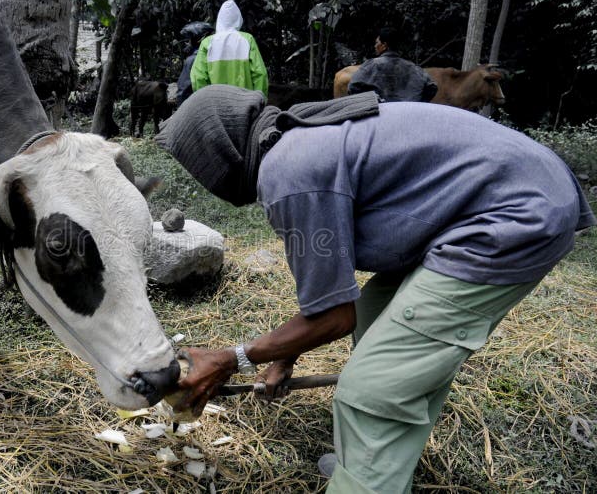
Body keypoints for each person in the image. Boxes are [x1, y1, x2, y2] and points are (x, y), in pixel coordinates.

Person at [155, 85, 595, 493]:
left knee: (373, 389)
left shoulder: (290, 174)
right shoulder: (298, 139)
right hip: (504, 197)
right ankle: (373, 467)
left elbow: (332, 317)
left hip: (513, 217)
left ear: (219, 155)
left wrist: (234, 359)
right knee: (377, 325)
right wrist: (284, 355)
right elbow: (333, 300)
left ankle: (367, 481)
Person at [190, 0, 268, 97]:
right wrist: (260, 100)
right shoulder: (247, 39)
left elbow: (198, 77)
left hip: (216, 104)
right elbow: (260, 74)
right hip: (245, 103)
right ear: (238, 18)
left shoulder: (207, 43)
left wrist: (205, 102)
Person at [348, 27, 437, 102]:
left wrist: (372, 102)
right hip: (408, 116)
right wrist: (417, 102)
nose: (375, 46)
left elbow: (353, 86)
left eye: (377, 43)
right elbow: (432, 87)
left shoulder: (373, 65)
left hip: (382, 115)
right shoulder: (414, 68)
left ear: (384, 45)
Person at [176, 21, 214, 106]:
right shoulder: (215, 56)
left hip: (198, 107)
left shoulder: (192, 60)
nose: (187, 43)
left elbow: (183, 90)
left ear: (197, 40)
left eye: (189, 40)